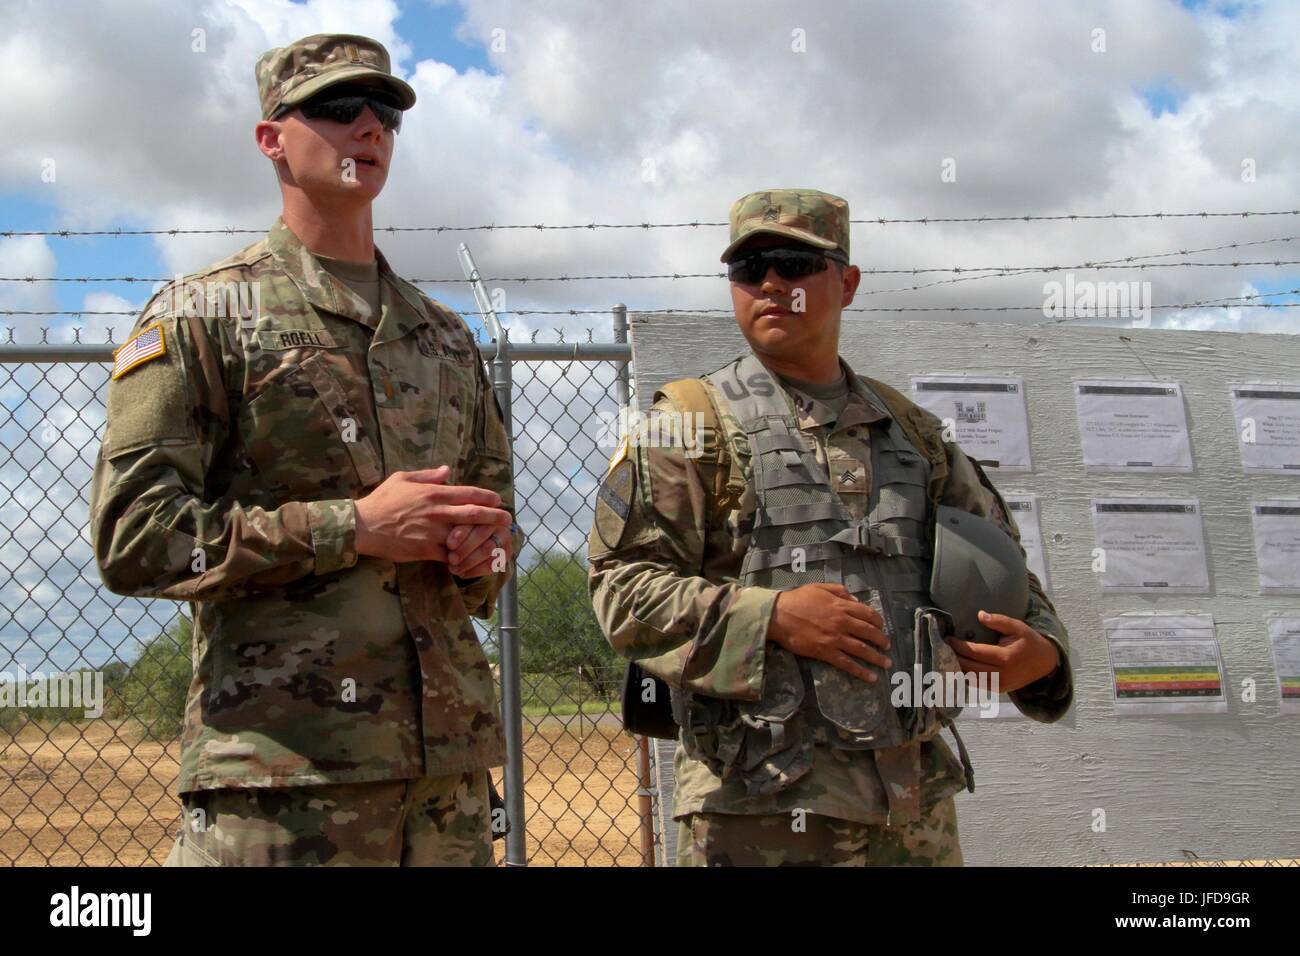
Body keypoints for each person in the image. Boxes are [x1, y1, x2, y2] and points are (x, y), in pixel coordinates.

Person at [89, 33, 522, 866]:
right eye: (336, 107)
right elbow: (134, 537)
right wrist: (350, 527)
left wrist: (481, 552)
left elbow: (491, 535)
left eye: (385, 111)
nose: (369, 126)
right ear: (270, 137)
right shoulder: (202, 313)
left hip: (446, 789)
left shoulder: (444, 337)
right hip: (281, 786)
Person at [588, 188, 1073, 866]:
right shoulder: (688, 425)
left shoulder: (914, 434)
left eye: (794, 264)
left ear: (845, 283)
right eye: (749, 270)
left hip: (913, 811)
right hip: (755, 809)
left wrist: (1041, 655)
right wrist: (772, 617)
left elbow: (1002, 566)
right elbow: (621, 591)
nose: (770, 284)